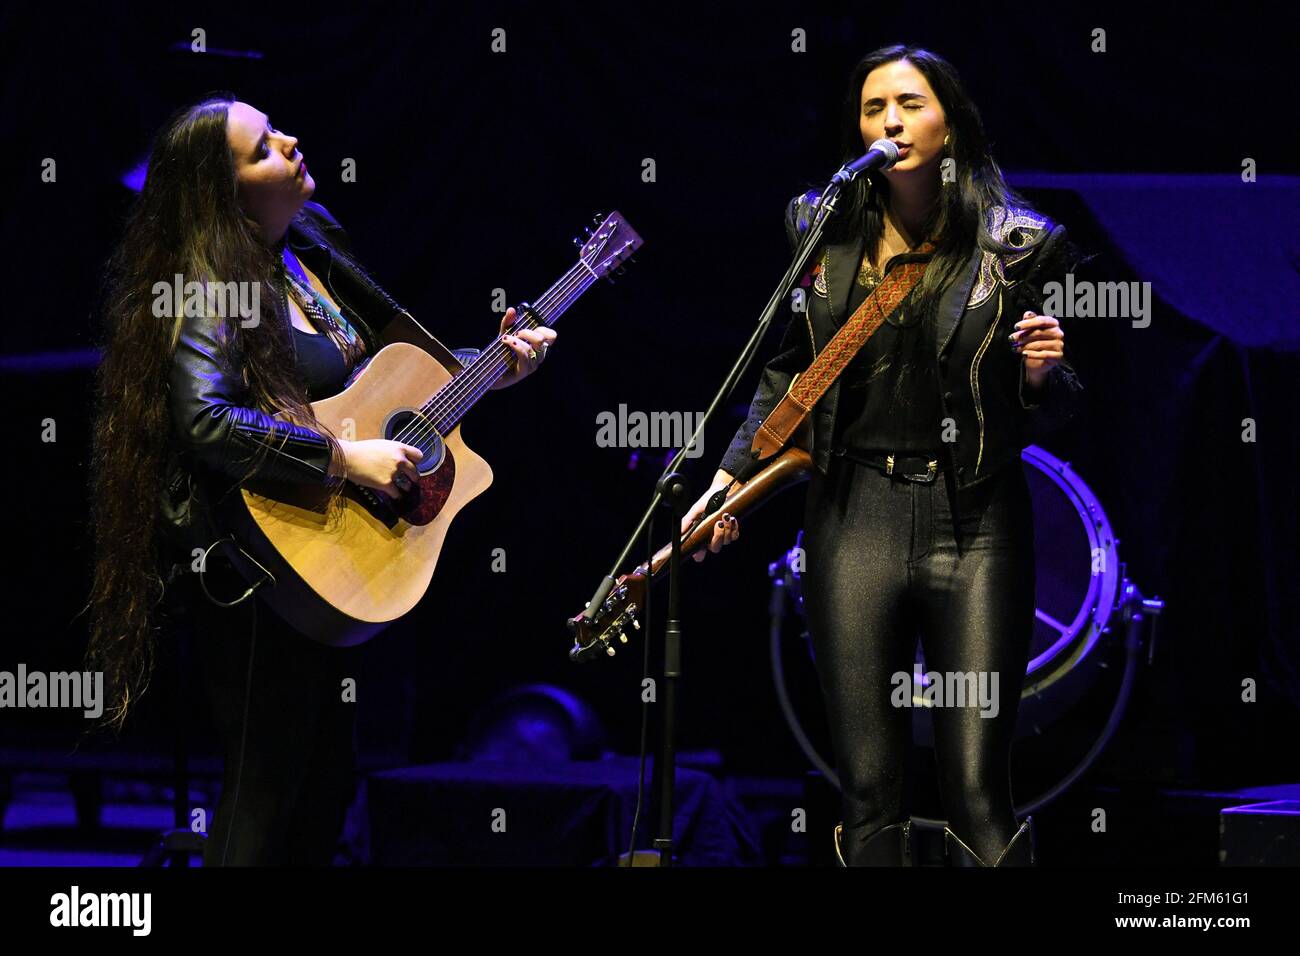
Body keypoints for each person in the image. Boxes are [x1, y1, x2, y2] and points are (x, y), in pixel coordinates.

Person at [84, 93, 555, 865]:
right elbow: (206, 422)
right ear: (223, 193)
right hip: (254, 566)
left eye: (277, 131)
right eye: (264, 148)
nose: (292, 143)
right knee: (263, 786)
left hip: (331, 555)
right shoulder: (210, 287)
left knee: (328, 782)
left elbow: (386, 385)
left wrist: (490, 371)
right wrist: (342, 460)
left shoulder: (310, 249)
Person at [681, 46, 1084, 866]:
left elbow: (1059, 403)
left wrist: (1042, 373)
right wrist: (729, 476)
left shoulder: (1023, 244)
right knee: (867, 789)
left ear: (951, 122)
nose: (890, 122)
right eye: (873, 108)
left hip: (974, 519)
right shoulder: (819, 225)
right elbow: (791, 365)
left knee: (976, 789)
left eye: (909, 103)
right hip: (851, 511)